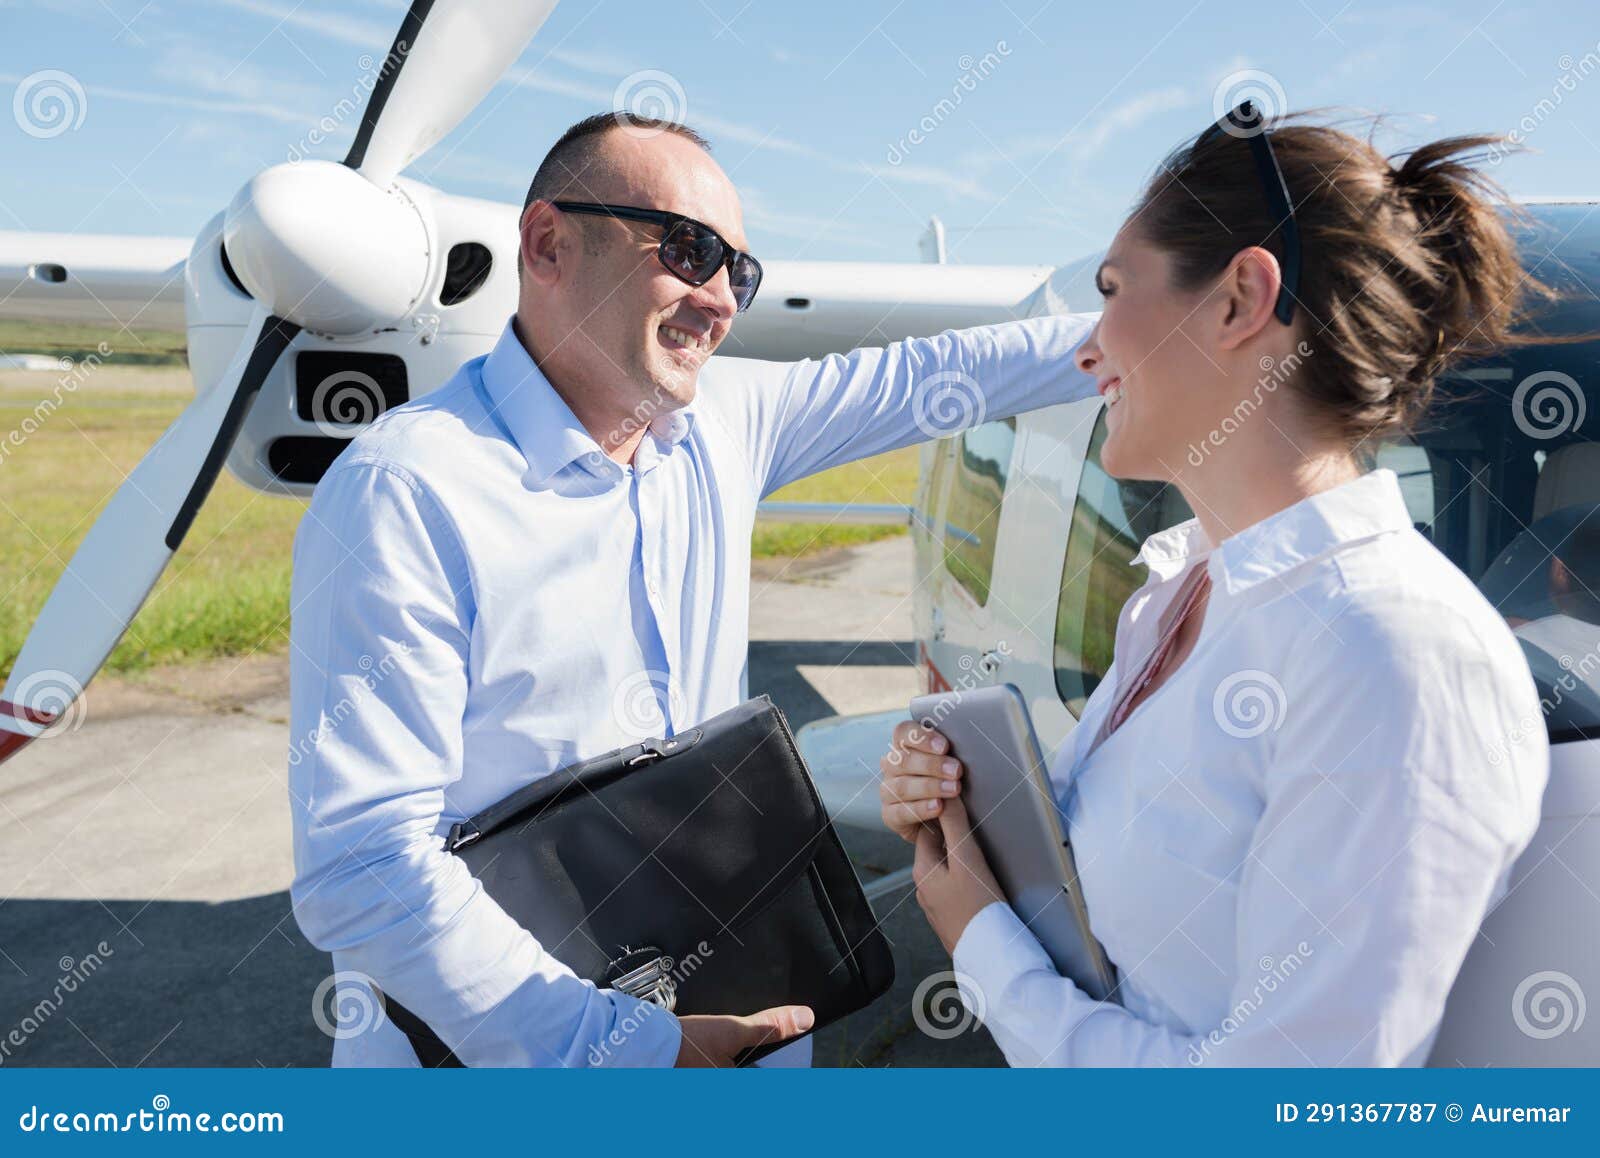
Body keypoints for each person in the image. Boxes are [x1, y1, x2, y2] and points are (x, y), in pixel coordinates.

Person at [286, 111, 1102, 1067]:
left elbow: (938, 372)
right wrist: (626, 1051)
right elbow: (364, 865)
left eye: (739, 271)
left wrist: (1163, 324)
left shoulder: (726, 421)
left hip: (736, 1025)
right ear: (548, 243)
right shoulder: (407, 491)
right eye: (687, 249)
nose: (719, 298)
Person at [883, 108, 1554, 1066]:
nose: (1085, 350)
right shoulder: (1184, 592)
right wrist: (966, 816)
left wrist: (981, 941)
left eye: (1113, 290)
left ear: (1241, 298)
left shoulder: (1393, 652)